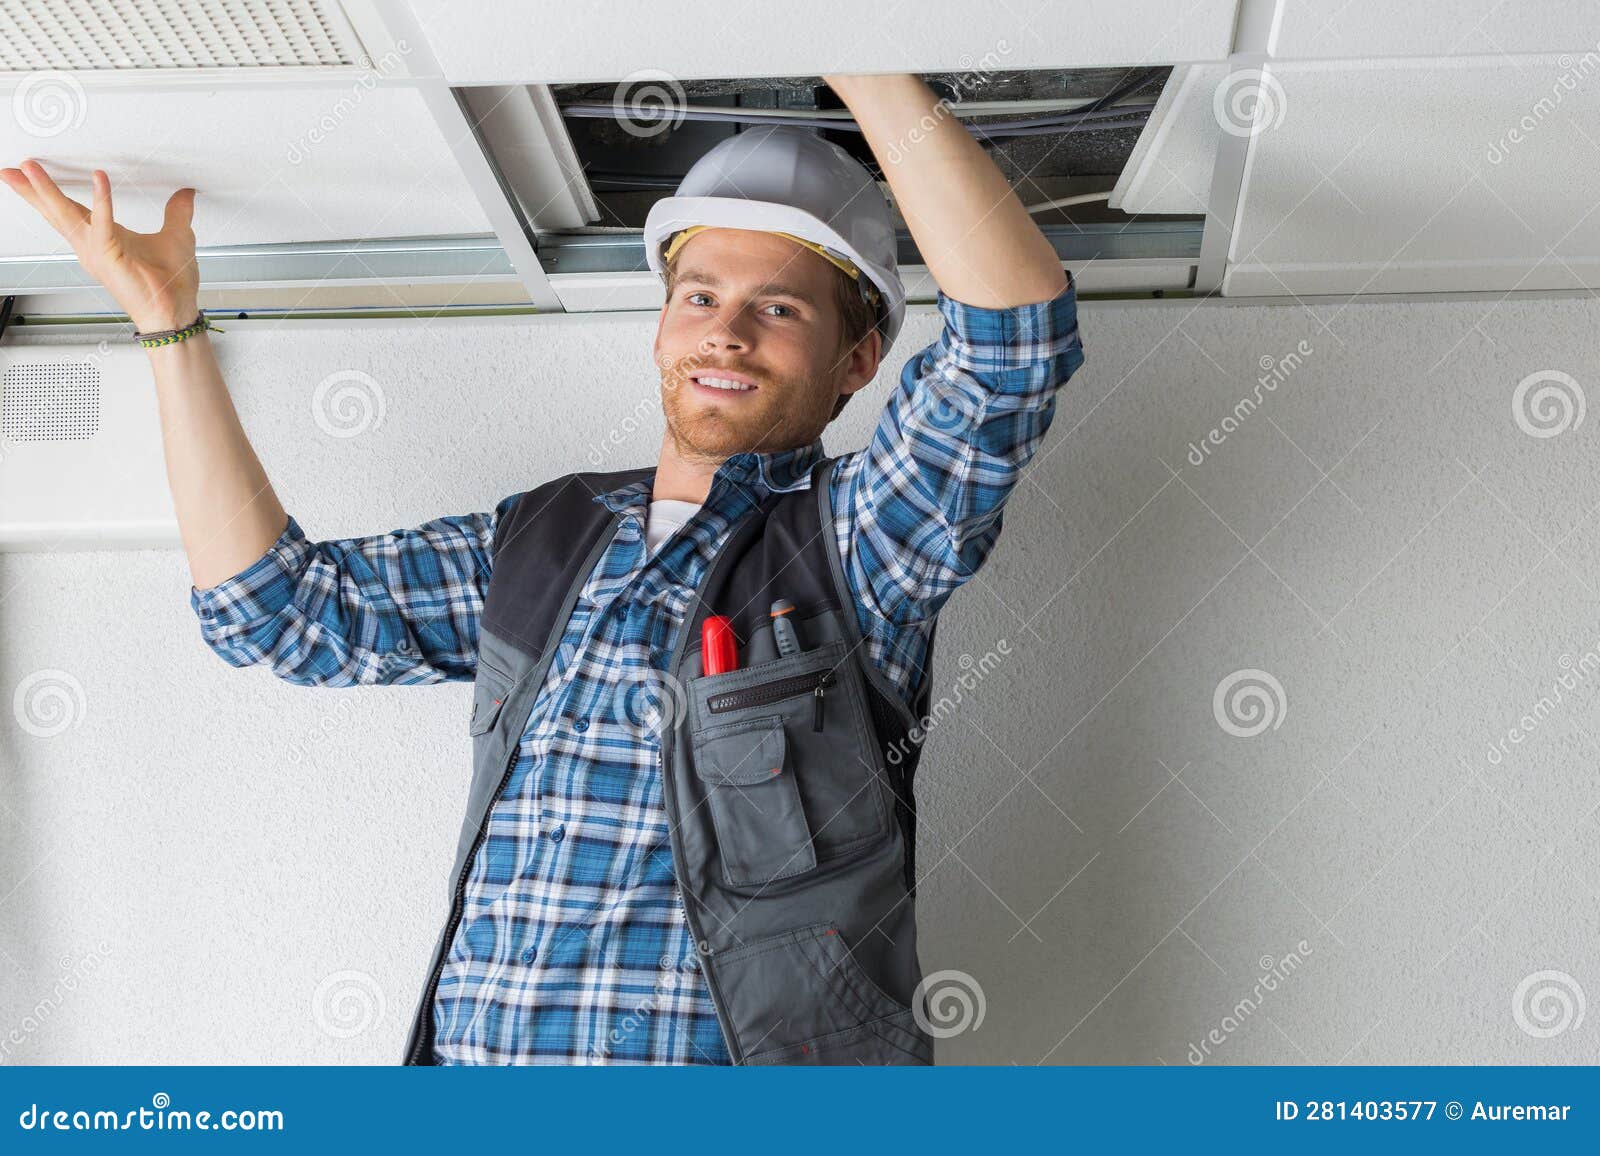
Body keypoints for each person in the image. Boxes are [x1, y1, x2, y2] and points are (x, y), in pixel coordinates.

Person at [2, 72, 1084, 1065]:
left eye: (780, 308)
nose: (726, 334)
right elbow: (273, 613)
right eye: (699, 296)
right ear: (661, 323)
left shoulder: (856, 542)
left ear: (857, 360)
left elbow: (1014, 345)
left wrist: (864, 56)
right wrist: (166, 325)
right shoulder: (543, 540)